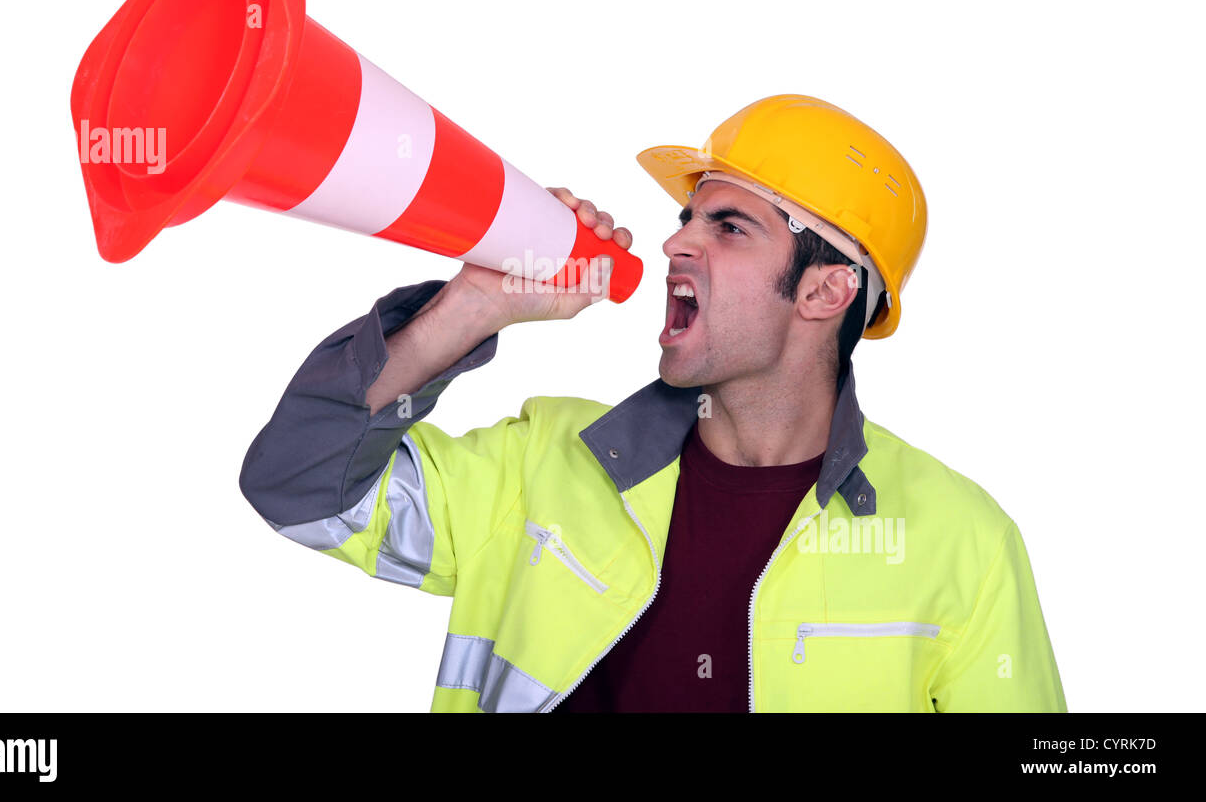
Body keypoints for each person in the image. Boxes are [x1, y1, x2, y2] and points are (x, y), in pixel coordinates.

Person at [239, 94, 1067, 712]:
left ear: (826, 289)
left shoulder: (965, 544)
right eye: (686, 217)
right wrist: (473, 305)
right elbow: (299, 484)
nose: (676, 242)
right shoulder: (542, 462)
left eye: (730, 226)